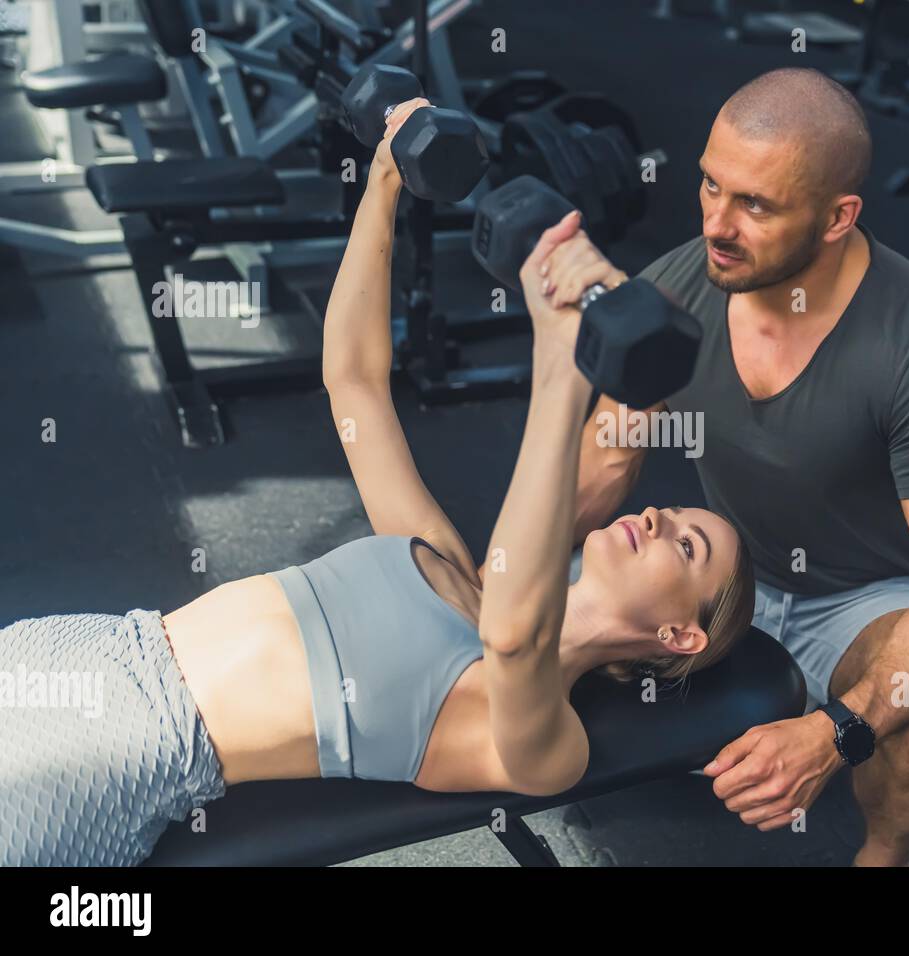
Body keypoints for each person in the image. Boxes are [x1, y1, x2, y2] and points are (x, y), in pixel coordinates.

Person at [0, 99, 754, 867]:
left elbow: (517, 635)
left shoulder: (548, 742)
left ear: (678, 636)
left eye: (690, 544)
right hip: (93, 646)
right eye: (672, 510)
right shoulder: (440, 561)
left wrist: (563, 362)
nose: (658, 515)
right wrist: (386, 180)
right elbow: (354, 383)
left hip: (120, 755)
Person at [541, 68, 909, 866]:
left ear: (838, 217)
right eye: (709, 184)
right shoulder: (684, 286)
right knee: (517, 593)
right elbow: (604, 464)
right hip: (728, 570)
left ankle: (885, 856)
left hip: (863, 599)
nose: (716, 225)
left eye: (756, 206)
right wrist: (495, 592)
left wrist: (838, 731)